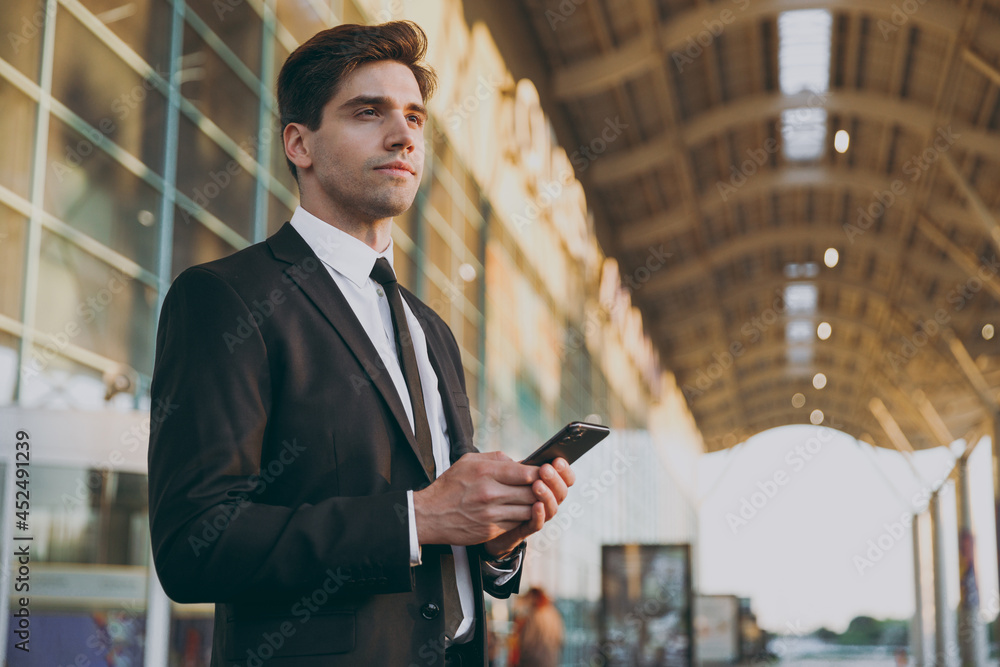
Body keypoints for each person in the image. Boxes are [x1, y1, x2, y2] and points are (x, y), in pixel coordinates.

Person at [146, 20, 576, 667]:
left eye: (414, 116)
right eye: (367, 112)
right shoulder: (228, 298)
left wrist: (496, 540)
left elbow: (449, 538)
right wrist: (416, 518)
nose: (403, 134)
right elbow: (194, 543)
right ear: (300, 144)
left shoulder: (432, 330)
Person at [514, 587, 564, 667]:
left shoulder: (534, 616)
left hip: (533, 661)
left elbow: (526, 642)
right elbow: (560, 640)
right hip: (550, 661)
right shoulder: (554, 614)